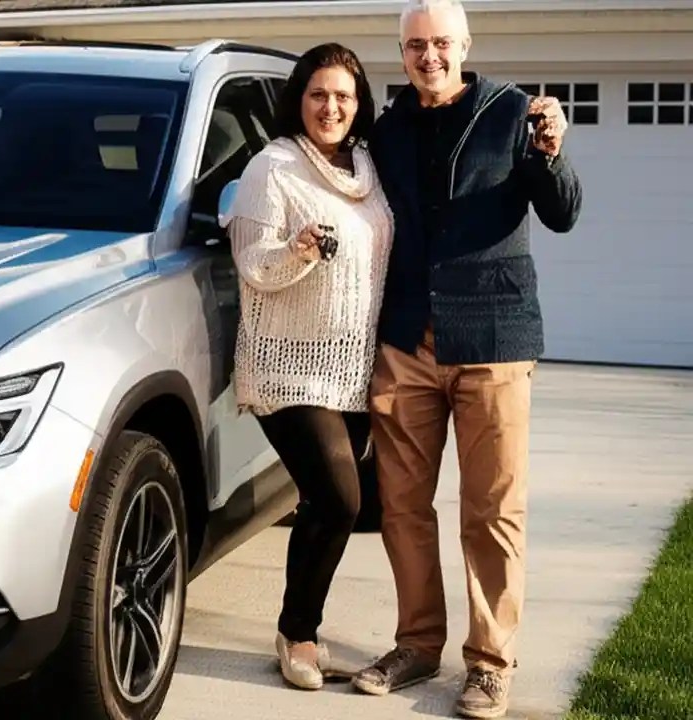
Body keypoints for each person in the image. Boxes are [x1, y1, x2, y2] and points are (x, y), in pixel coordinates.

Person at [350, 1, 583, 717]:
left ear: (465, 45)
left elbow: (564, 211)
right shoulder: (384, 132)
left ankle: (489, 662)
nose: (430, 56)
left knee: (492, 511)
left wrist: (552, 153)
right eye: (416, 45)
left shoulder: (515, 113)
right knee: (401, 508)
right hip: (408, 340)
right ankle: (419, 645)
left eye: (441, 43)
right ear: (402, 52)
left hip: (492, 340)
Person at [220, 43, 393, 691]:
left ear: (359, 104)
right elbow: (254, 265)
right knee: (339, 498)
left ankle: (304, 633)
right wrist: (295, 252)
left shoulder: (370, 169)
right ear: (299, 98)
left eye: (344, 96)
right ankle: (296, 635)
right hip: (286, 368)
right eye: (319, 94)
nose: (331, 106)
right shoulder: (275, 166)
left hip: (351, 370)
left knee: (332, 506)